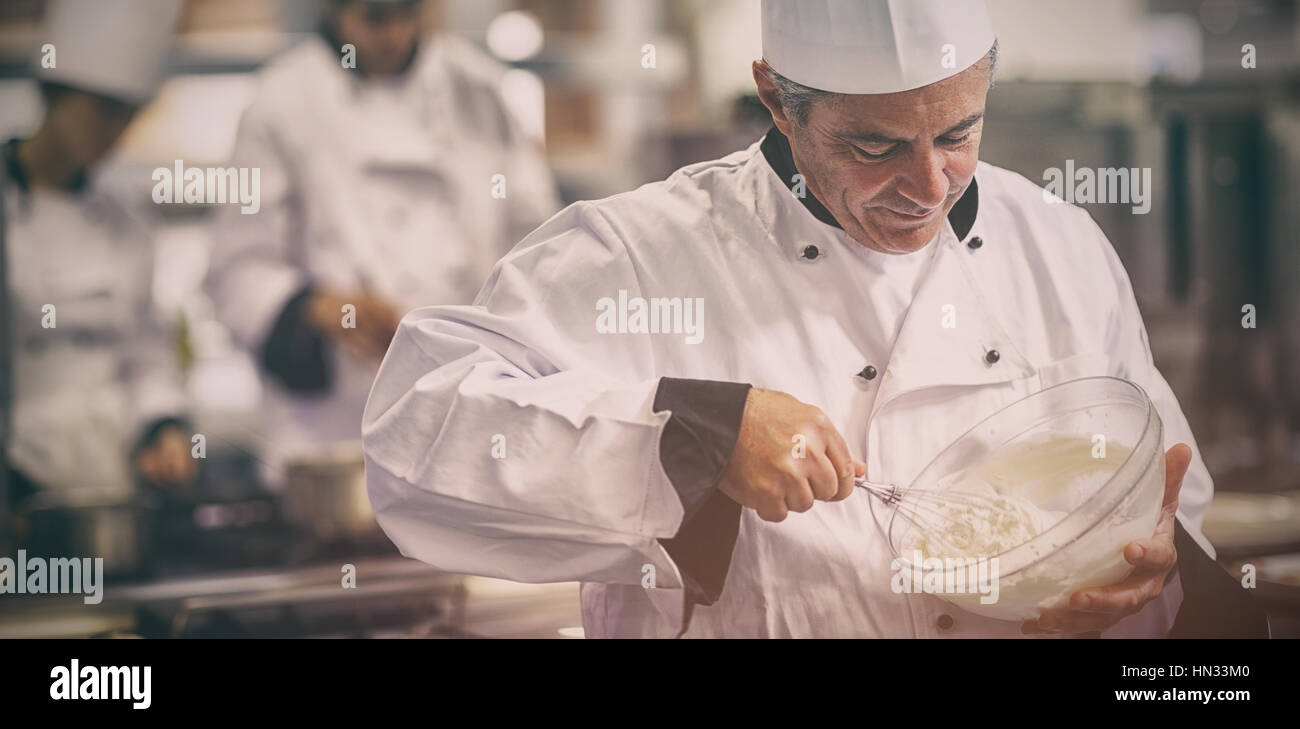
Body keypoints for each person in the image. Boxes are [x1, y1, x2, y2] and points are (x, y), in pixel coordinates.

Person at [360, 0, 1249, 637]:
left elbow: (1172, 503)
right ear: (778, 102)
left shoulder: (1060, 245)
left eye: (958, 133)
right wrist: (694, 435)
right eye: (877, 146)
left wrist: (1140, 582)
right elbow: (414, 431)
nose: (930, 187)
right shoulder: (641, 253)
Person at [205, 0, 558, 478]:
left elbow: (537, 244)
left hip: (472, 412)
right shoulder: (280, 102)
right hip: (335, 435)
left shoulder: (478, 89)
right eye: (372, 18)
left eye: (406, 13)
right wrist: (318, 307)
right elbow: (238, 268)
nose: (391, 34)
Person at [1, 0, 193, 517]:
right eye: (103, 107)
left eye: (128, 113)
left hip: (110, 491)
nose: (114, 130)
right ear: (55, 90)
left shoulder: (127, 220)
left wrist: (161, 428)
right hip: (16, 489)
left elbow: (147, 351)